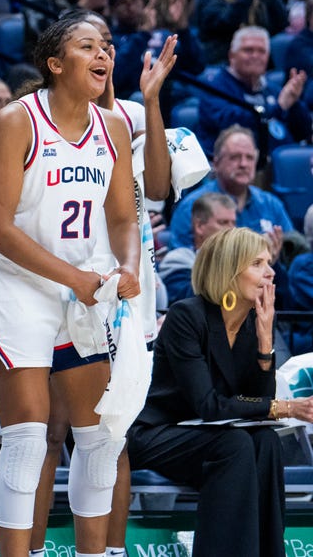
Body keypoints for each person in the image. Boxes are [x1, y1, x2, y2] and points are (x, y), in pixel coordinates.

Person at [0, 13, 155, 557]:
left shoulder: (113, 126)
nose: (104, 55)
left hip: (83, 284)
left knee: (100, 437)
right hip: (13, 283)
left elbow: (124, 217)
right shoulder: (14, 123)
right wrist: (76, 278)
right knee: (27, 437)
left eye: (109, 47)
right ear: (55, 64)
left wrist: (129, 265)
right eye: (88, 46)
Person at [128, 227, 313, 557]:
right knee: (236, 444)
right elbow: (209, 405)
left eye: (268, 262)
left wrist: (265, 341)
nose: (270, 272)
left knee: (267, 442)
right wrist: (285, 407)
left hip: (210, 437)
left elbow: (256, 397)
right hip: (160, 434)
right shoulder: (187, 316)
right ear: (229, 269)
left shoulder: (252, 322)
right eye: (257, 263)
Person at [168, 126, 293, 249]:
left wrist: (272, 262)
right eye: (235, 157)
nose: (243, 164)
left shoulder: (271, 204)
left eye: (249, 158)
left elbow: (292, 251)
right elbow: (180, 261)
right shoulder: (192, 206)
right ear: (216, 164)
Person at [194, 27, 310, 159]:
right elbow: (233, 124)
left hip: (277, 168)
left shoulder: (273, 90)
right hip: (233, 166)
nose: (255, 56)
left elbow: (303, 133)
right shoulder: (215, 88)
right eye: (248, 50)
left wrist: (294, 103)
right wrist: (278, 108)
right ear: (232, 55)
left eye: (262, 51)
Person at [159, 192, 238, 303]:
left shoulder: (241, 260)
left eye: (233, 223)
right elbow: (186, 302)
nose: (232, 230)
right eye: (223, 222)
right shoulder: (178, 259)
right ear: (199, 226)